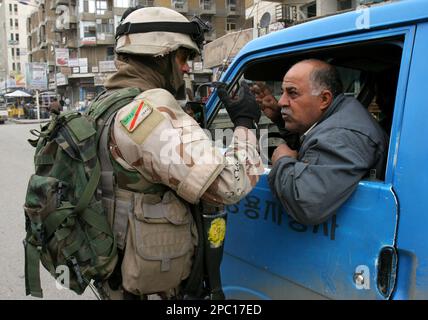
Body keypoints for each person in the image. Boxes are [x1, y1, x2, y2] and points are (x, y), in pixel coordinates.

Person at [91, 6, 263, 300]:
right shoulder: (148, 111)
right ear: (161, 54)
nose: (186, 68)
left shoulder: (107, 103)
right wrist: (245, 124)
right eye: (183, 57)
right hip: (150, 287)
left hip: (121, 268)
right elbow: (229, 185)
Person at [265, 59, 388, 225]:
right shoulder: (340, 115)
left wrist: (282, 161)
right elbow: (313, 138)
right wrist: (280, 119)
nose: (281, 102)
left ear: (324, 99)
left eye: (292, 93)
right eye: (283, 92)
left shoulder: (340, 137)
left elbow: (306, 204)